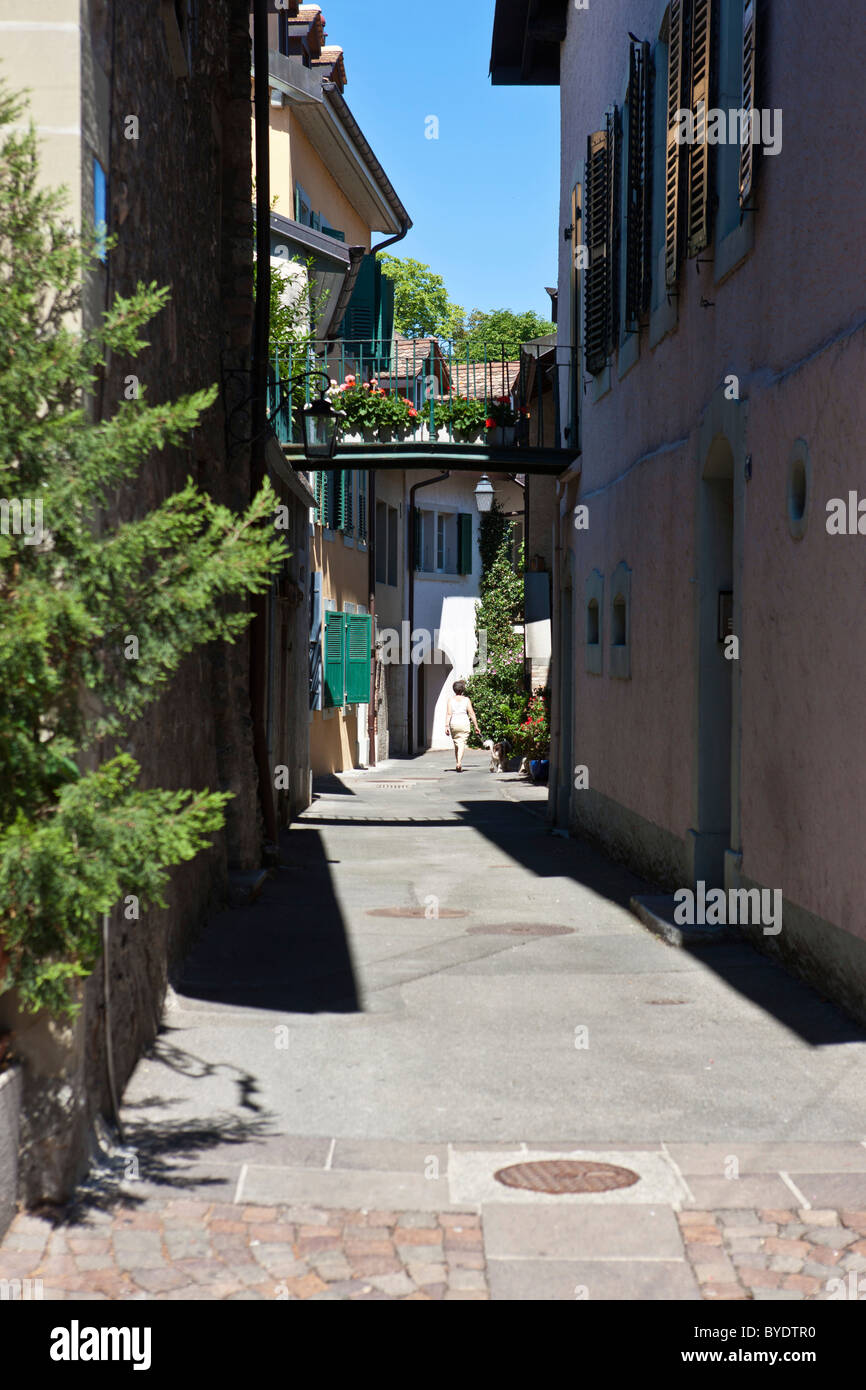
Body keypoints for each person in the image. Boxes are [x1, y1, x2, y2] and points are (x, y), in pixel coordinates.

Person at [445, 679, 481, 772]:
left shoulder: (450, 700)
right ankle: (459, 763)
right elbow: (471, 713)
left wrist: (446, 726)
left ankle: (458, 762)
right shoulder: (466, 700)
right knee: (461, 743)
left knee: (457, 743)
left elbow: (449, 713)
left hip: (454, 723)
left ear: (454, 690)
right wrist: (476, 726)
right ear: (463, 690)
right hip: (464, 723)